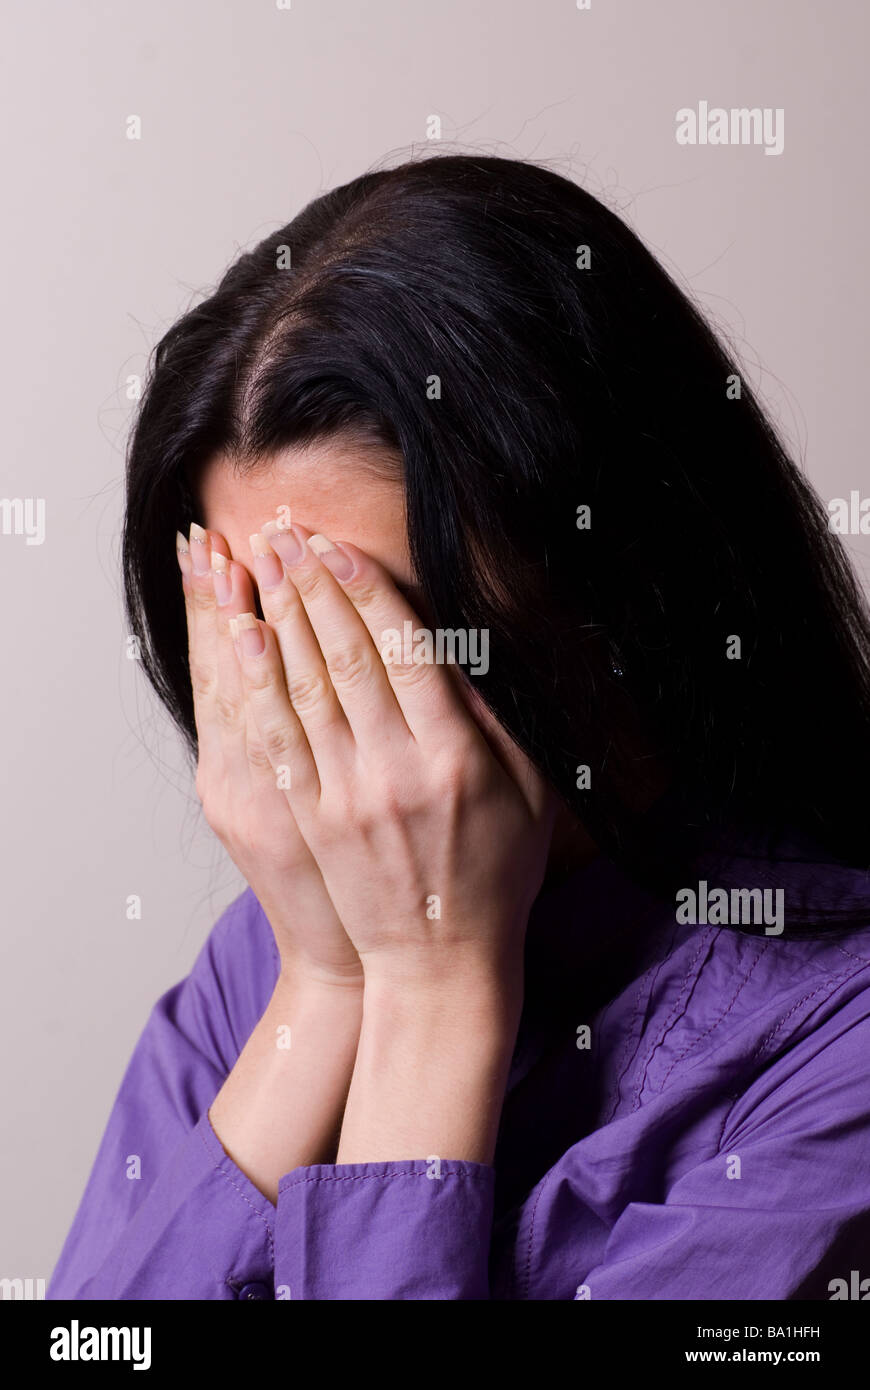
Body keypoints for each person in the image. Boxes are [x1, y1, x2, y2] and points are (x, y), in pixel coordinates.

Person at [49, 154, 870, 1300]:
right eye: (260, 628)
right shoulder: (263, 963)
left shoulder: (835, 1060)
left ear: (625, 585)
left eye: (363, 631)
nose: (307, 710)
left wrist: (434, 988)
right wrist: (331, 987)